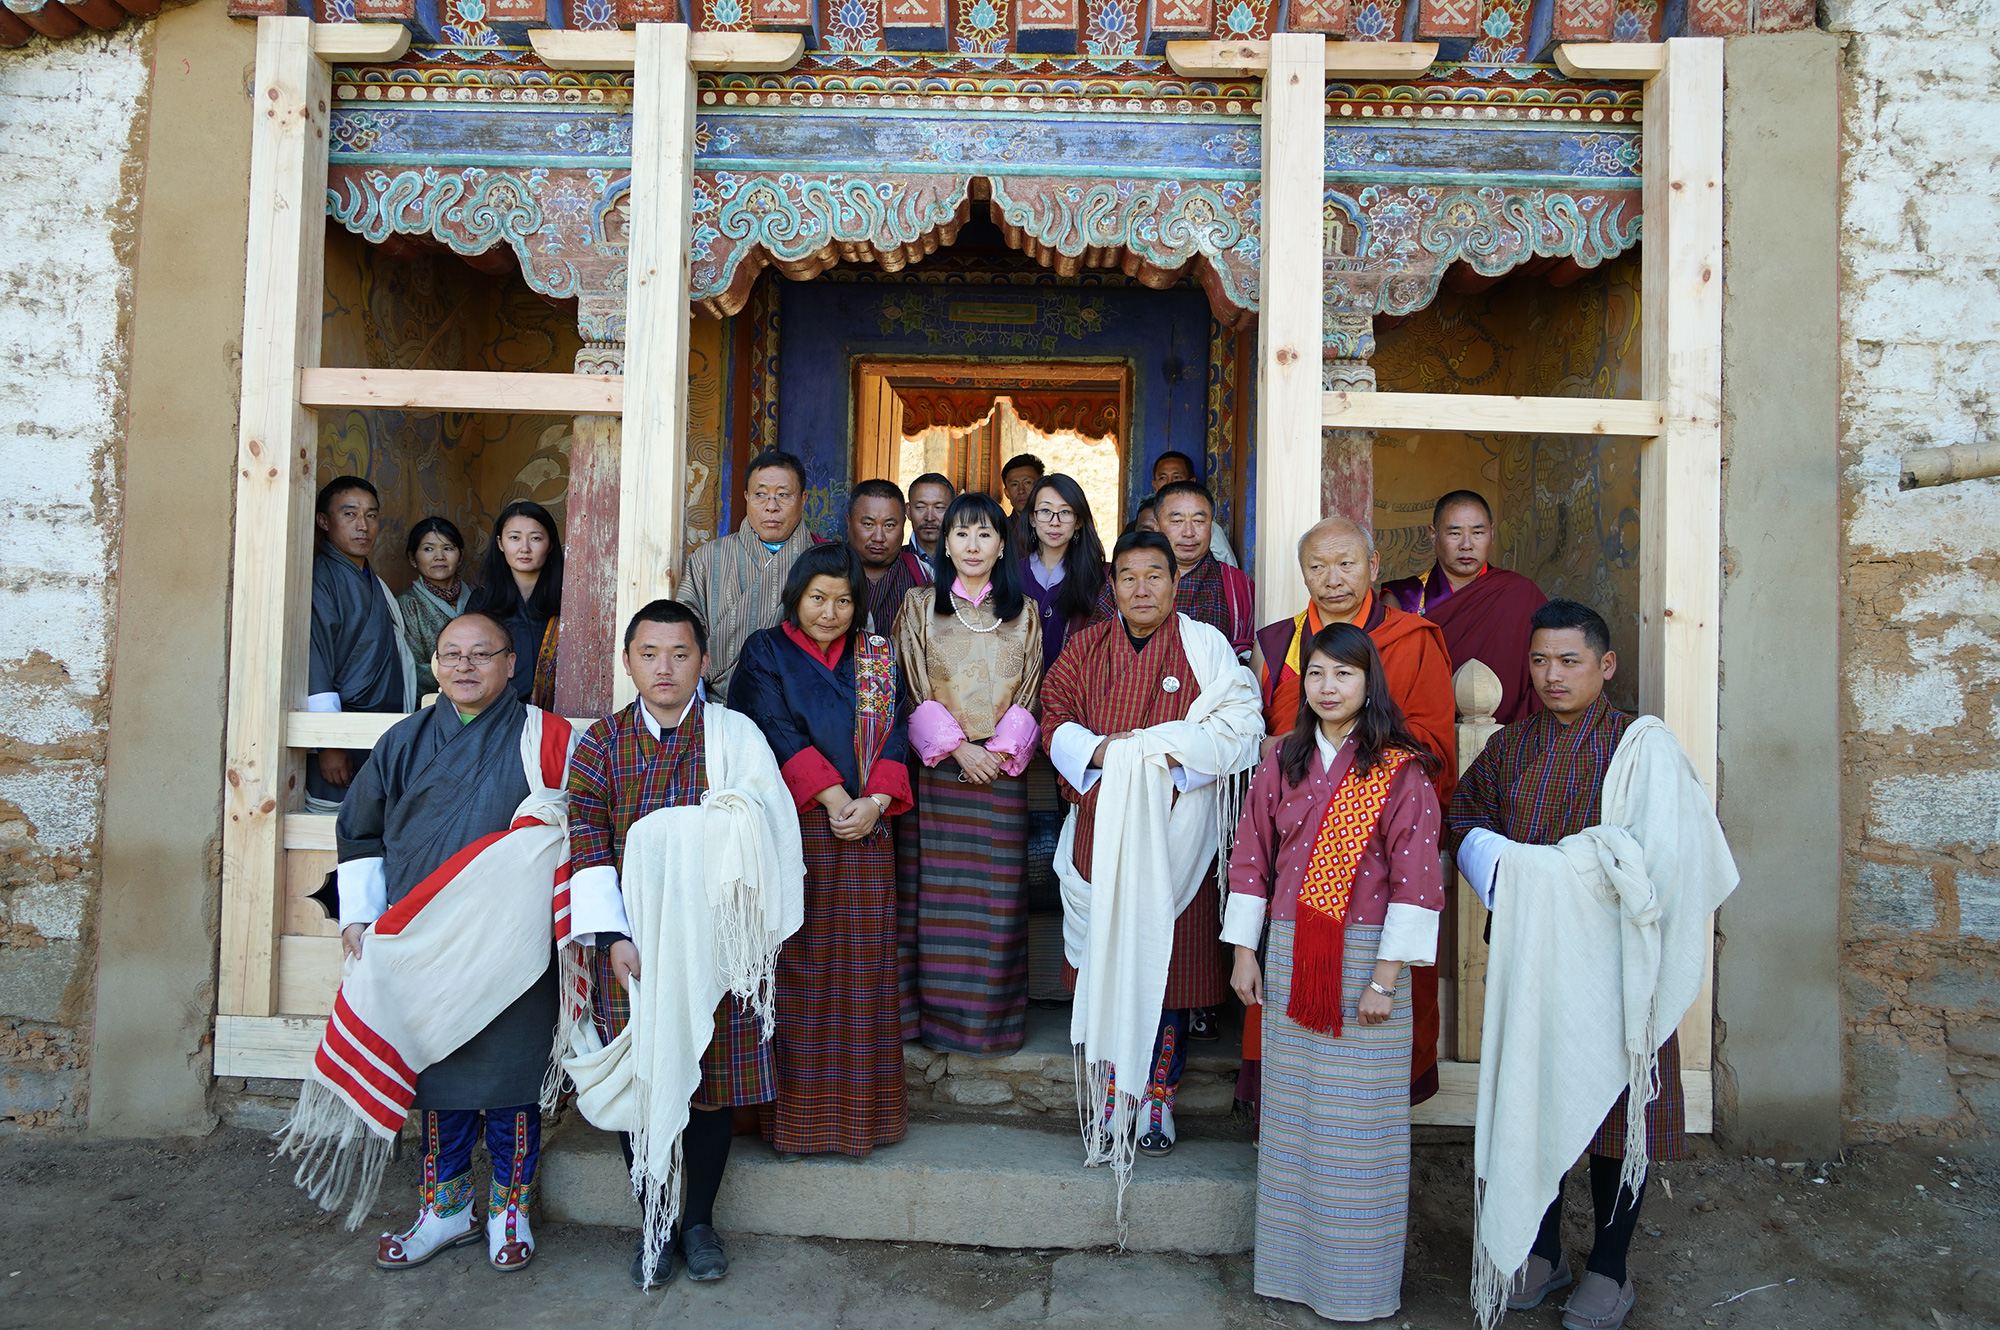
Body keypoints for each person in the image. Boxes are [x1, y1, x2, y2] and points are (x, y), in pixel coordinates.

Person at [1451, 600, 1736, 1330]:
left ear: (1605, 665)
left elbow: (1670, 858)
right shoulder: (1511, 746)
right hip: (1536, 963)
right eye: (1540, 660)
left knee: (1617, 1120)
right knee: (1534, 1100)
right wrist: (1509, 865)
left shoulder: (1644, 748)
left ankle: (1610, 1266)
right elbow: (1465, 816)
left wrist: (1567, 872)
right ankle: (1542, 1252)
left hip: (1620, 967)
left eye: (1569, 661)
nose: (1552, 675)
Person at [278, 612, 575, 1274]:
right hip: (426, 942)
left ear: (511, 665)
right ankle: (445, 1209)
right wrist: (360, 918)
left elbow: (577, 827)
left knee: (512, 1076)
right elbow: (360, 830)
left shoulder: (549, 738)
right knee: (437, 1072)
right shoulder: (404, 740)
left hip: (513, 947)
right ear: (435, 666)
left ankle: (509, 1211)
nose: (465, 666)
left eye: (482, 654)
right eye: (452, 655)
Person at [562, 600, 805, 1290]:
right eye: (649, 654)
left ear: (704, 660)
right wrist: (613, 936)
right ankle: (655, 1223)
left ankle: (697, 1222)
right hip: (633, 947)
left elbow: (767, 823)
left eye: (679, 654)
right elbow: (588, 841)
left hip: (717, 946)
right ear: (628, 662)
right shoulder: (603, 743)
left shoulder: (733, 734)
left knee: (712, 1085)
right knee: (643, 1081)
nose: (664, 668)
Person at [1224, 622, 1445, 1322]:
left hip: (1367, 963)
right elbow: (1251, 858)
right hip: (1290, 956)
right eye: (1316, 674)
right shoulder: (1281, 763)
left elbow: (1417, 882)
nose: (1327, 687)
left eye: (1343, 675)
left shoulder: (1400, 771)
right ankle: (1290, 1274)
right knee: (1294, 1120)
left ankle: (1357, 1286)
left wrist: (1384, 981)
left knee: (1359, 1130)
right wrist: (1244, 951)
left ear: (1369, 682)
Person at [1041, 530, 1263, 1163]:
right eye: (1129, 577)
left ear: (1175, 582)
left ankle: (1158, 1094)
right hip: (1102, 828)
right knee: (1109, 961)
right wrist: (1107, 753)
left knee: (1169, 966)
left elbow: (1241, 724)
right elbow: (1054, 720)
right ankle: (1112, 1093)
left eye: (1155, 576)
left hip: (1180, 835)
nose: (1142, 589)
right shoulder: (1085, 648)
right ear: (1112, 585)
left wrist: (1163, 756)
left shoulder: (1205, 647)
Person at [1252, 515, 1456, 1106]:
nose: (1332, 578)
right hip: (1294, 848)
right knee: (1291, 1012)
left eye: (1346, 563)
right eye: (1317, 566)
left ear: (1373, 567)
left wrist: (1348, 757)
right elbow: (1259, 738)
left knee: (1371, 1039)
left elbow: (1435, 747)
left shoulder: (1412, 638)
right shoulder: (1278, 644)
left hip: (1379, 848)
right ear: (1303, 573)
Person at [730, 543, 915, 1158]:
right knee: (798, 969)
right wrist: (836, 800)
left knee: (864, 974)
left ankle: (863, 1121)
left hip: (867, 831)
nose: (829, 613)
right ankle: (797, 1123)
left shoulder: (876, 656)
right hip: (799, 827)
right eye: (817, 598)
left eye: (843, 600)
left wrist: (875, 803)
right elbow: (772, 729)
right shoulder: (765, 651)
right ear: (795, 597)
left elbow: (896, 731)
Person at [893, 492, 1044, 1054]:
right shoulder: (918, 605)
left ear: (1003, 545)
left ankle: (988, 1026)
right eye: (961, 533)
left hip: (1002, 775)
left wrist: (997, 754)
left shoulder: (1023, 611)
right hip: (938, 770)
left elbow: (1033, 685)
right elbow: (909, 683)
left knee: (995, 901)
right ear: (946, 543)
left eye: (985, 534)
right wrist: (959, 749)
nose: (972, 545)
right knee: (937, 897)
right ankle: (932, 1022)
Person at [1381, 490, 1549, 723]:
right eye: (1455, 533)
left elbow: (1546, 668)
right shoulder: (1403, 599)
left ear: (1492, 533)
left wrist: (1516, 732)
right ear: (1433, 535)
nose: (1467, 545)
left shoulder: (1520, 594)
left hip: (1508, 732)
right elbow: (1389, 683)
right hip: (1427, 730)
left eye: (1478, 533)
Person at [305, 476, 417, 812]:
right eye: (349, 514)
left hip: (381, 723)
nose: (363, 526)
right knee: (338, 822)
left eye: (371, 515)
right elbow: (315, 659)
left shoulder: (372, 579)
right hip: (345, 728)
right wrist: (328, 743)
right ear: (324, 521)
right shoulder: (321, 577)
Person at [678, 449, 823, 698]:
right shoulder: (708, 558)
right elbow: (682, 635)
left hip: (803, 706)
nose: (771, 507)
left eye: (783, 495)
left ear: (803, 499)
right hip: (718, 705)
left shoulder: (826, 562)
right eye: (760, 495)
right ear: (746, 497)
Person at [1122, 480, 1255, 664]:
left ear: (1211, 525)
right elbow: (1100, 644)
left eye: (1199, 521)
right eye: (1177, 521)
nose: (1188, 532)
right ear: (1156, 526)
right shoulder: (1127, 578)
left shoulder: (1236, 584)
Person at [466, 501, 563, 708]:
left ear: (550, 544)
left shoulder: (567, 601)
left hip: (558, 714)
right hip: (497, 712)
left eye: (535, 538)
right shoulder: (482, 601)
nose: (524, 548)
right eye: (514, 538)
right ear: (500, 543)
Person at [1019, 474, 1108, 672]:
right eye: (1045, 511)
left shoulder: (1102, 576)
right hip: (1019, 690)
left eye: (1065, 512)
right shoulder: (1010, 575)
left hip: (1077, 688)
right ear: (1032, 518)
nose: (1055, 522)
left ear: (1078, 522)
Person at [398, 516, 475, 699]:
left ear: (460, 556)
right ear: (413, 557)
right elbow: (413, 666)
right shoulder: (408, 604)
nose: (439, 556)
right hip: (433, 702)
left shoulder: (478, 596)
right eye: (428, 549)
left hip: (484, 698)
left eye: (448, 548)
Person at [847, 479, 928, 635]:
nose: (878, 537)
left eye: (889, 525)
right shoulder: (826, 571)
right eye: (868, 524)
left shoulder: (922, 575)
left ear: (903, 524)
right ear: (849, 522)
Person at [1150, 450, 1240, 568]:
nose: (1169, 483)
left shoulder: (1210, 529)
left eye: (1177, 477)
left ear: (1191, 481)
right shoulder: (1142, 521)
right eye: (1162, 478)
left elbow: (1227, 567)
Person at [904, 472, 954, 584]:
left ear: (953, 511)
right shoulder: (895, 562)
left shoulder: (966, 561)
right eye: (920, 507)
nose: (929, 518)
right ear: (908, 511)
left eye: (939, 508)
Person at [1001, 451, 1045, 546]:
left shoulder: (1055, 526)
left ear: (1042, 487)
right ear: (1007, 493)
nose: (1021, 491)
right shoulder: (1000, 530)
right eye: (1014, 484)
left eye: (1027, 482)